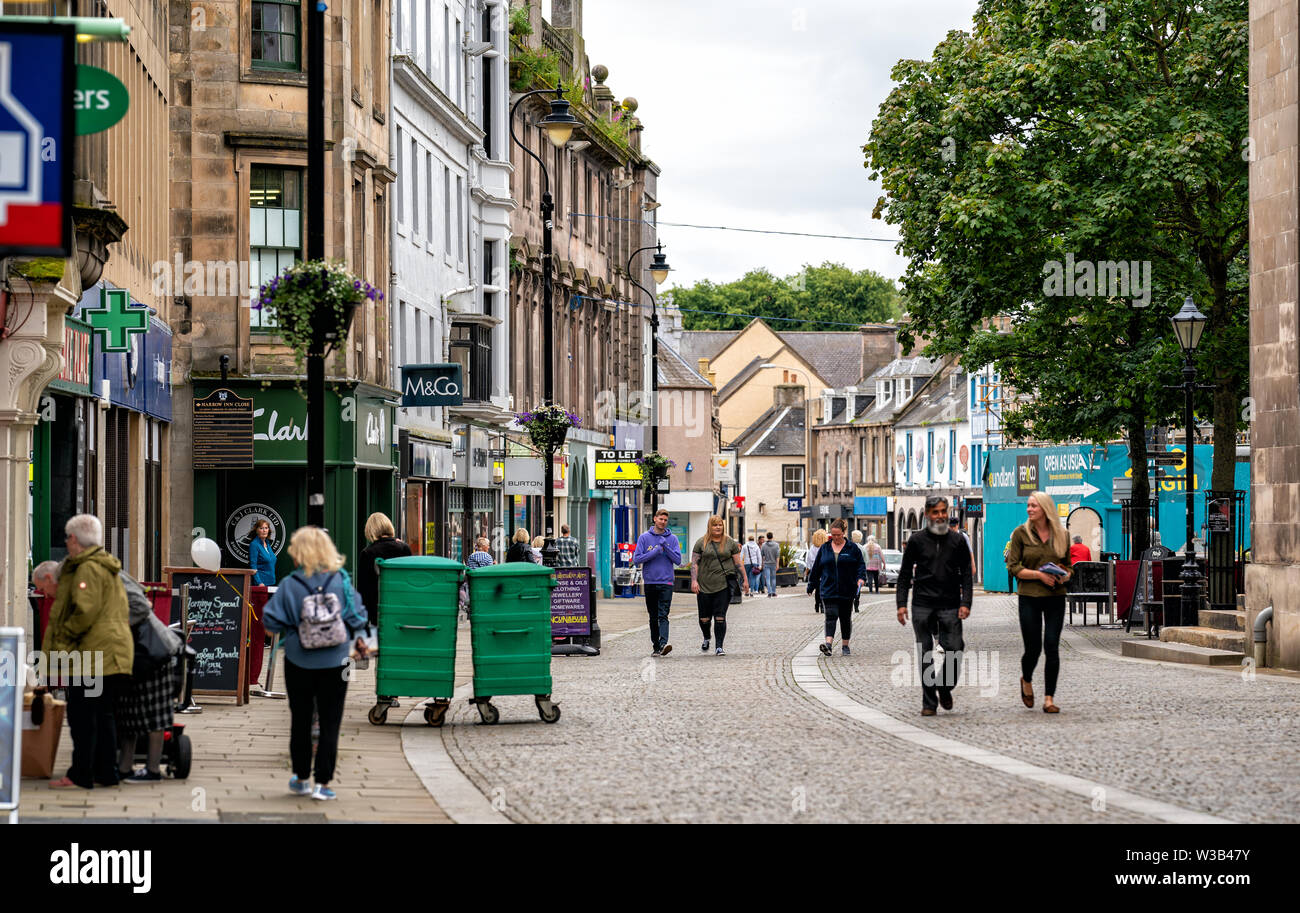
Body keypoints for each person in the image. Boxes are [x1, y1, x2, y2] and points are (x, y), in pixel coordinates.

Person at [262, 526, 370, 801]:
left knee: (300, 719)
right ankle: (323, 784)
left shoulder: (289, 584)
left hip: (298, 660)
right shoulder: (341, 580)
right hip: (337, 661)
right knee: (331, 720)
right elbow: (358, 617)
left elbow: (271, 621)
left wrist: (294, 625)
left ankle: (300, 778)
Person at [41, 514, 134, 789]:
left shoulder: (87, 569)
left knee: (83, 717)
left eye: (68, 538)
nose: (67, 543)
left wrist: (63, 639)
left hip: (94, 656)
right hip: (108, 653)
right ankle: (106, 772)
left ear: (74, 539)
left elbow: (84, 611)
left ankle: (81, 774)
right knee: (102, 715)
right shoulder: (102, 565)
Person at [896, 495, 973, 716]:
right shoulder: (916, 541)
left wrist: (966, 602)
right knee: (925, 652)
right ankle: (929, 702)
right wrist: (901, 604)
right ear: (928, 514)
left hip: (950, 604)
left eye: (943, 512)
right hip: (922, 604)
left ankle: (944, 685)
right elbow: (903, 575)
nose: (940, 516)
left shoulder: (957, 541)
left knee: (955, 648)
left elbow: (966, 574)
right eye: (935, 512)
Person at [1007, 491, 1075, 714]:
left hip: (1056, 596)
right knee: (1033, 648)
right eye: (1028, 505)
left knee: (1052, 645)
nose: (1029, 509)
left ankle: (1049, 698)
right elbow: (1013, 567)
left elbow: (1068, 565)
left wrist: (1064, 574)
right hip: (1029, 597)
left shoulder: (1062, 535)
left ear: (1045, 509)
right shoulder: (1020, 534)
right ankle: (1026, 679)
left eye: (1034, 506)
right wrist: (1038, 575)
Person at [115, 569, 184, 782]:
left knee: (155, 713)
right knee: (130, 712)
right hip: (142, 649)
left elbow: (143, 606)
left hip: (151, 649)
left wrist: (115, 624)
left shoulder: (109, 574)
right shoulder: (110, 572)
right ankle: (125, 767)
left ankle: (152, 770)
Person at [357, 512, 411, 707]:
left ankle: (384, 694)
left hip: (377, 610)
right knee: (396, 651)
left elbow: (362, 588)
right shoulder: (403, 548)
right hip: (401, 607)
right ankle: (395, 693)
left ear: (371, 530)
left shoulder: (368, 553)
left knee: (381, 652)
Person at [808, 519, 867, 655]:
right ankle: (828, 645)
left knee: (845, 618)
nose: (835, 538)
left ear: (844, 533)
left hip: (847, 589)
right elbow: (816, 568)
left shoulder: (852, 548)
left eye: (838, 535)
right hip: (828, 589)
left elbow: (860, 566)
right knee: (831, 615)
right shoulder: (825, 548)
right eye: (833, 535)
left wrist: (861, 578)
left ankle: (845, 645)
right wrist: (811, 585)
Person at [691, 516, 748, 655]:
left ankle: (719, 646)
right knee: (704, 619)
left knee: (720, 617)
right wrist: (694, 580)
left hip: (723, 585)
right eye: (715, 525)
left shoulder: (730, 543)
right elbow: (694, 563)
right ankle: (706, 637)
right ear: (709, 527)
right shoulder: (701, 543)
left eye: (720, 525)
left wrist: (745, 579)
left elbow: (738, 563)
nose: (718, 527)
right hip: (704, 585)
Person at [632, 508, 681, 656]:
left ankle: (664, 642)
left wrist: (665, 547)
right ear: (655, 519)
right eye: (661, 519)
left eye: (665, 520)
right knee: (653, 616)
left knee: (663, 614)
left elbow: (678, 560)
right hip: (650, 582)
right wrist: (655, 551)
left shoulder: (672, 539)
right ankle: (656, 645)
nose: (663, 522)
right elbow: (637, 559)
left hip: (666, 582)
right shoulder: (644, 538)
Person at [249, 518, 278, 587]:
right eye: (261, 528)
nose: (264, 530)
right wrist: (259, 582)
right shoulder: (254, 544)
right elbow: (253, 566)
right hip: (261, 584)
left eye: (266, 528)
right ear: (257, 530)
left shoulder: (267, 543)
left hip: (272, 582)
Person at [807, 528, 828, 613]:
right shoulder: (826, 547)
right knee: (823, 589)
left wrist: (809, 569)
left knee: (817, 589)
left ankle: (817, 604)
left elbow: (809, 559)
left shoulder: (812, 548)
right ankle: (822, 605)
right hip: (824, 571)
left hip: (815, 571)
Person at [761, 532, 781, 597]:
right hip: (773, 563)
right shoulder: (776, 545)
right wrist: (777, 564)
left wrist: (762, 564)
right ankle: (773, 592)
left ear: (767, 537)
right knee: (773, 578)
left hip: (766, 563)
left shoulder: (763, 545)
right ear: (772, 537)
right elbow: (777, 556)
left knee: (767, 578)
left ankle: (769, 592)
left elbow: (762, 555)